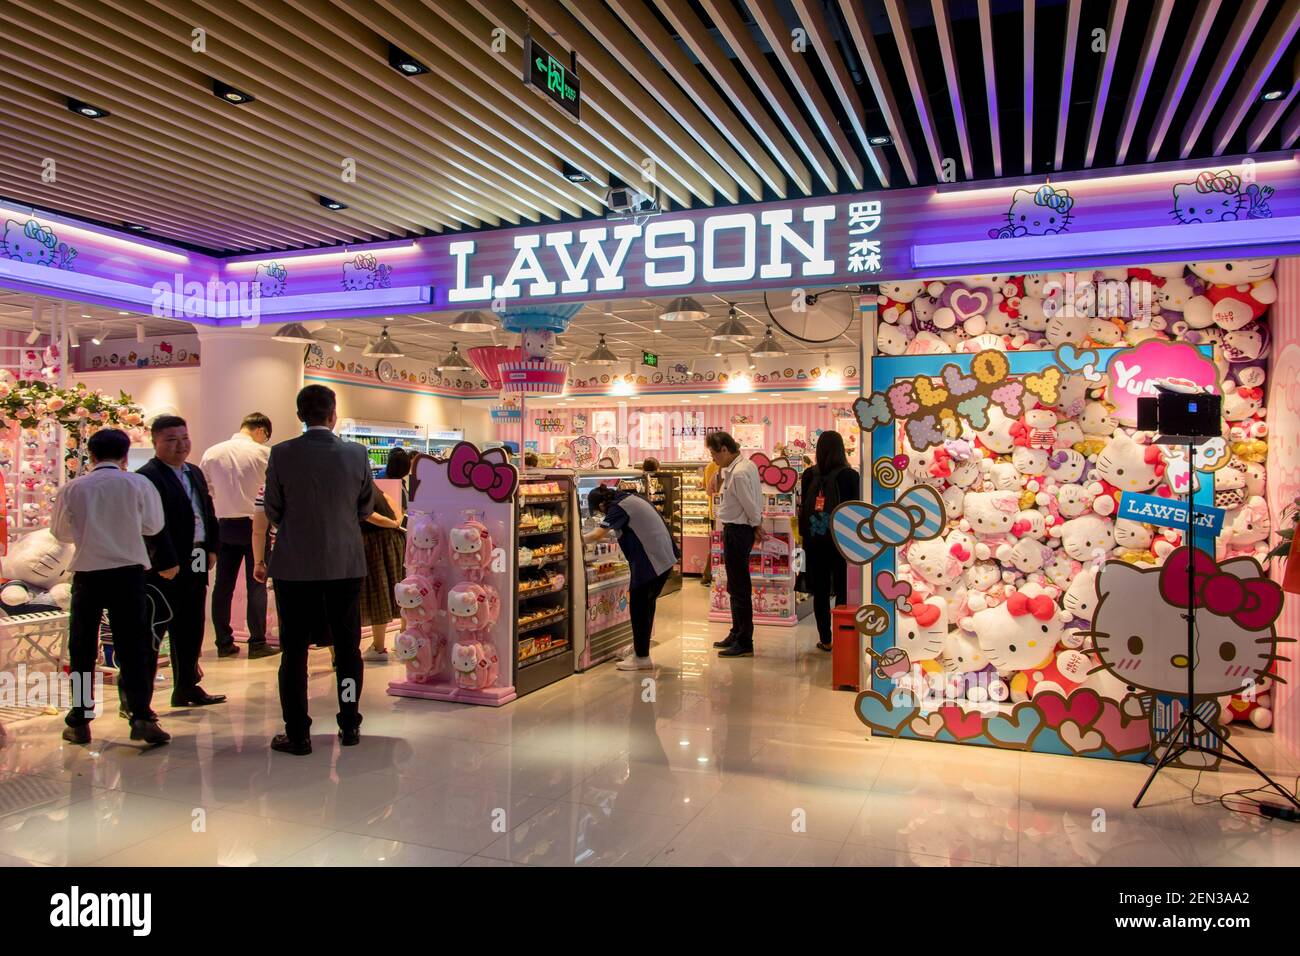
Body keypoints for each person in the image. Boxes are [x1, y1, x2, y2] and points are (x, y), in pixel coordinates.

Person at [256, 384, 375, 755]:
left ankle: (298, 732)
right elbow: (365, 507)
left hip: (294, 566)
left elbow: (272, 509)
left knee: (294, 651)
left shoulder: (282, 453)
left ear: (299, 415)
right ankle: (350, 722)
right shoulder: (356, 454)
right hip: (345, 563)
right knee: (347, 648)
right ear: (333, 413)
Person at [51, 428, 170, 746]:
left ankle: (79, 719)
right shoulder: (138, 483)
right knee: (134, 646)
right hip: (128, 575)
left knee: (81, 648)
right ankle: (141, 715)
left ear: (90, 455)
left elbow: (60, 533)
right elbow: (154, 525)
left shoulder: (74, 488)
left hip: (88, 575)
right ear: (126, 455)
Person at [138, 415, 225, 709]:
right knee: (157, 626)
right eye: (171, 440)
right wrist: (163, 560)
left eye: (184, 438)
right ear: (155, 443)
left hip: (197, 556)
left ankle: (187, 686)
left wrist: (212, 547)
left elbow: (207, 512)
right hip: (166, 563)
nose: (181, 445)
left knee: (192, 623)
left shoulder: (194, 472)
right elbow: (150, 525)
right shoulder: (147, 477)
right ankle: (139, 701)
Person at [199, 412, 277, 660]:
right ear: (261, 431)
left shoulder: (212, 453)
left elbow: (206, 491)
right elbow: (273, 491)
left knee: (223, 586)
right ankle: (257, 642)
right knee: (257, 582)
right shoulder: (264, 454)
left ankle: (223, 642)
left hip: (224, 525)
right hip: (256, 524)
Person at [583, 484, 679, 671]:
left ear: (603, 504)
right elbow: (620, 530)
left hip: (651, 562)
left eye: (599, 511)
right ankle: (640, 652)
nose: (601, 514)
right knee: (646, 605)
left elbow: (598, 533)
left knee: (639, 608)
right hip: (664, 558)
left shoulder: (617, 507)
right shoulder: (631, 498)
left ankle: (641, 657)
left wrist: (573, 538)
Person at [798, 430, 859, 652]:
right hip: (841, 542)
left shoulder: (808, 475)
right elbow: (855, 511)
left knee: (820, 591)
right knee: (843, 589)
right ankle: (844, 637)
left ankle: (825, 639)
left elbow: (802, 507)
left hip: (814, 542)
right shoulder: (850, 476)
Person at [705, 431, 763, 658]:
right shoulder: (743, 466)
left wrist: (756, 525)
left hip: (738, 531)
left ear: (725, 450)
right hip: (738, 529)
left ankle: (744, 640)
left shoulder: (738, 473)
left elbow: (750, 504)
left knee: (739, 587)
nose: (713, 459)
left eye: (714, 453)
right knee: (735, 585)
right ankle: (736, 631)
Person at [359, 457, 406, 663]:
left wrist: (389, 524)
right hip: (395, 542)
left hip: (374, 544)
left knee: (379, 591)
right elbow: (393, 504)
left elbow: (368, 516)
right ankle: (404, 638)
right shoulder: (374, 486)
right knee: (400, 589)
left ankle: (378, 647)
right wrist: (396, 523)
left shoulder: (355, 489)